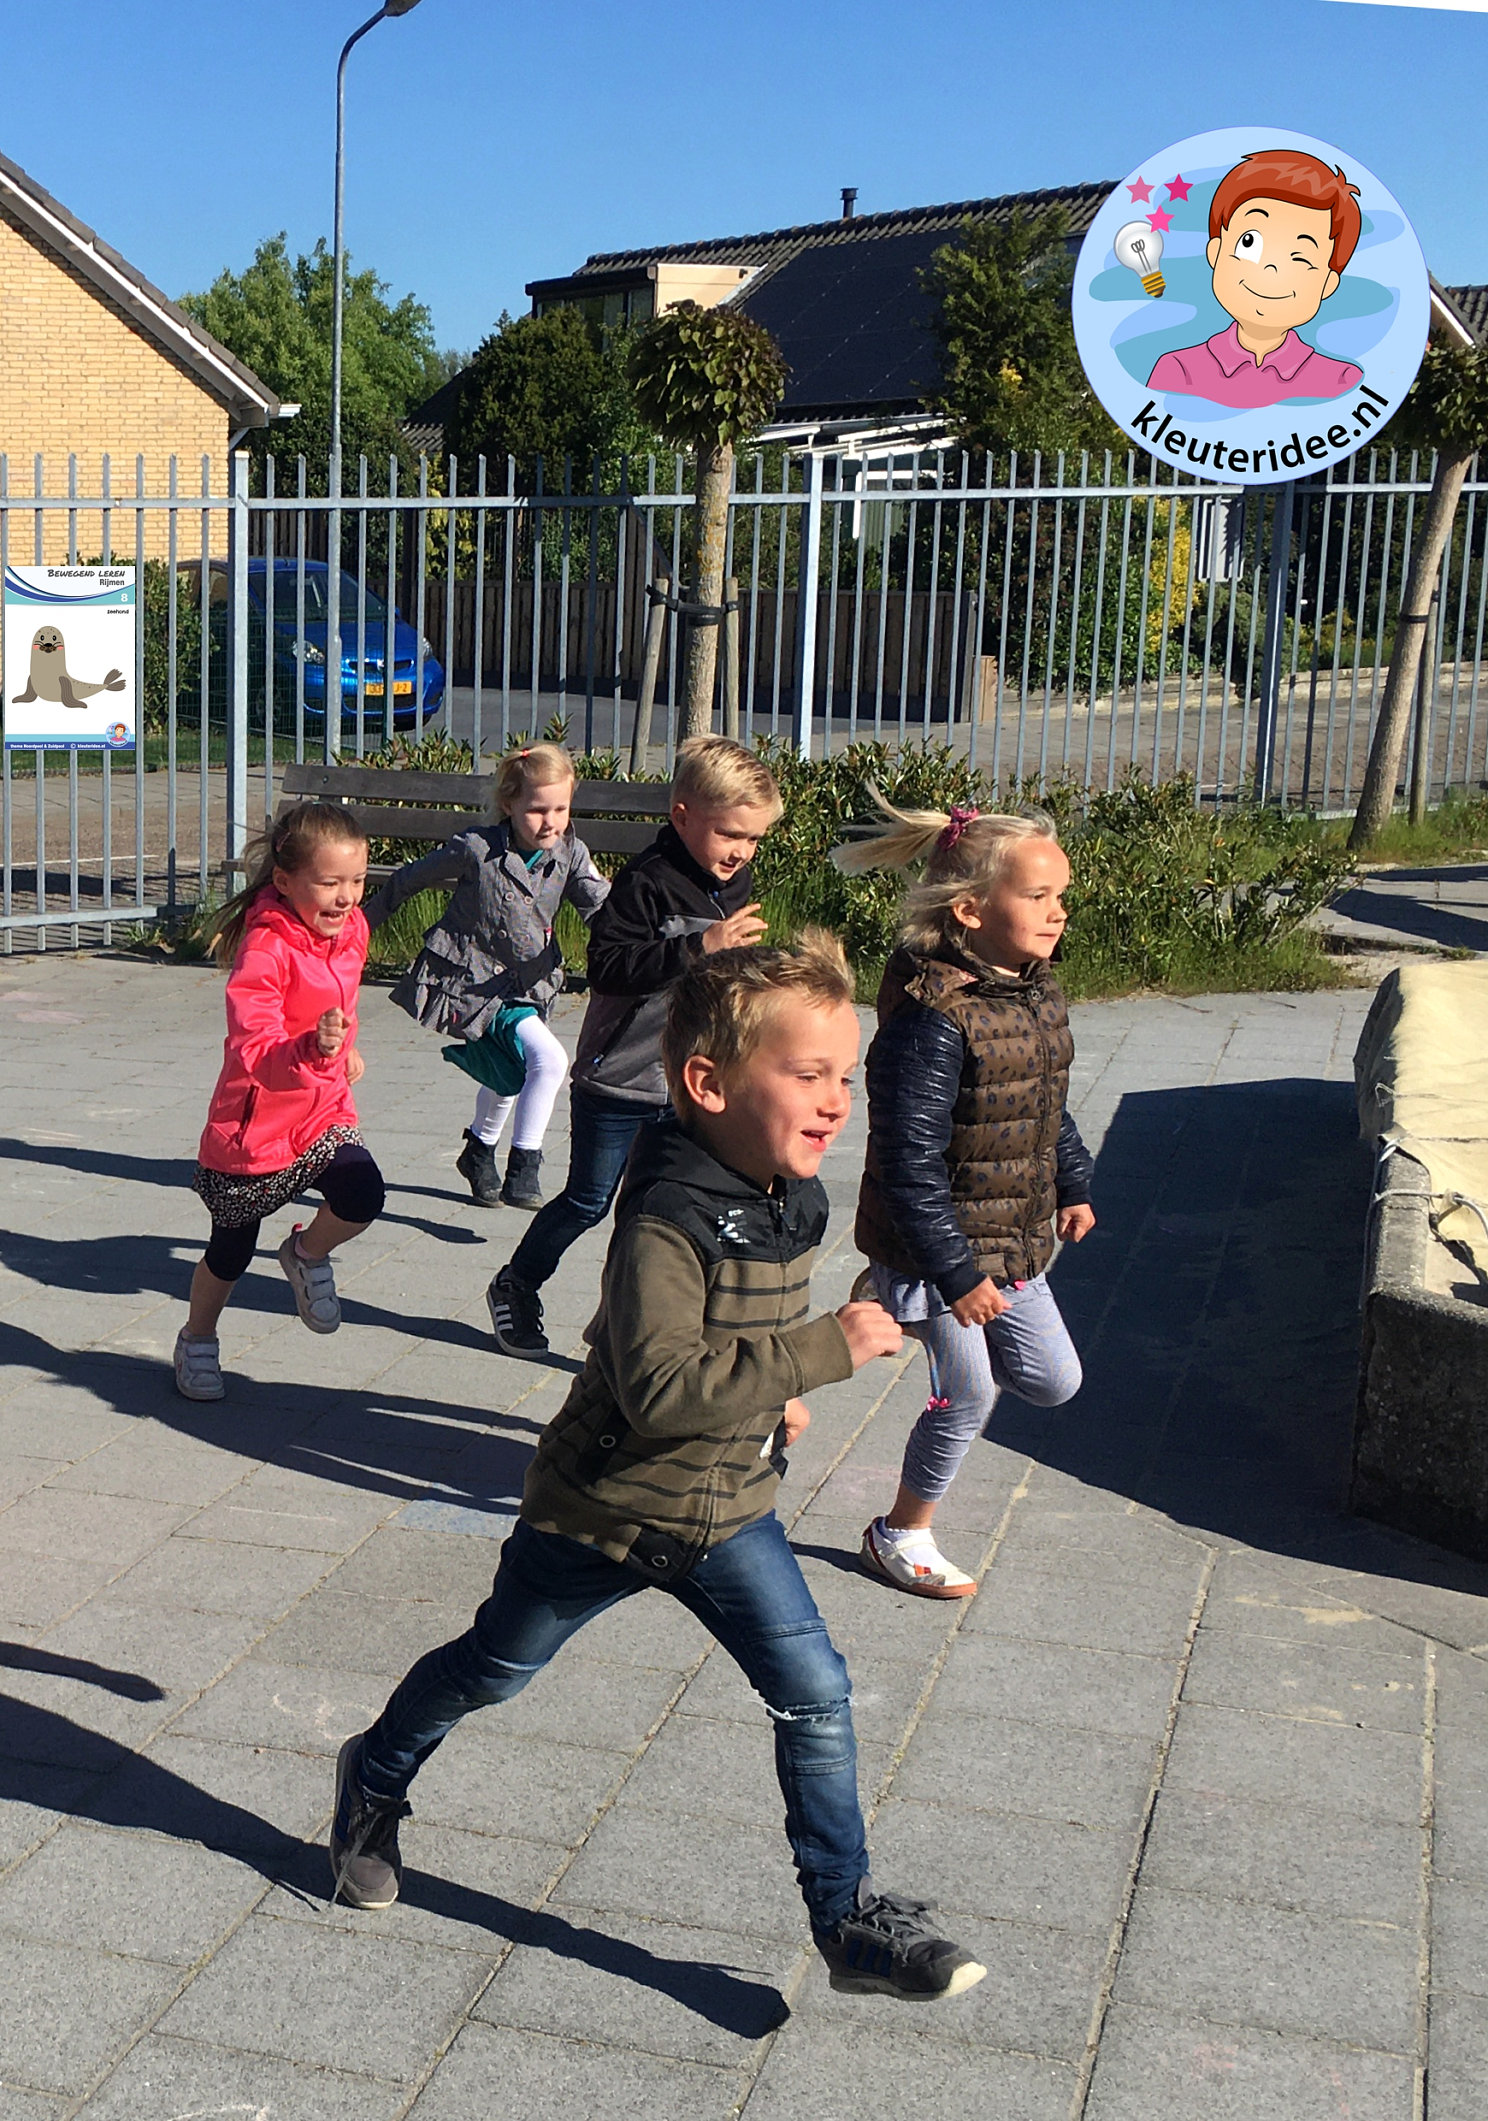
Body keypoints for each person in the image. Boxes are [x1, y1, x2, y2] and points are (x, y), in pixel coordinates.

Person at [329, 934, 988, 2003]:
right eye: (806, 1075)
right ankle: (374, 1774)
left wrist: (778, 1393)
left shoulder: (788, 1192)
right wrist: (821, 1349)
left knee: (815, 1692)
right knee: (496, 1668)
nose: (835, 1102)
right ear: (707, 1083)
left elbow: (733, 1341)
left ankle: (846, 1920)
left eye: (844, 1077)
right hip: (605, 1508)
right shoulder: (666, 1221)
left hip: (728, 1509)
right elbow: (662, 1391)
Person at [837, 797, 1095, 1598]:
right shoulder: (931, 1019)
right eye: (1038, 897)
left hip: (1009, 1236)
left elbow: (1045, 1099)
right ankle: (901, 1531)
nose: (1058, 913)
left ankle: (886, 1302)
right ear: (970, 909)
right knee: (969, 1391)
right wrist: (953, 1277)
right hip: (936, 1246)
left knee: (1056, 1379)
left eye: (1061, 896)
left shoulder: (1034, 990)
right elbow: (906, 1159)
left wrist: (1074, 1179)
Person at [488, 736, 780, 1358]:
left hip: (688, 1085)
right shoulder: (648, 883)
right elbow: (609, 966)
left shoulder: (732, 880)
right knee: (590, 1201)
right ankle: (517, 1283)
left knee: (662, 1215)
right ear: (683, 816)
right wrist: (702, 948)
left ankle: (623, 1323)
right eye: (732, 834)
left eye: (754, 839)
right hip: (617, 1079)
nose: (742, 852)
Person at [171, 800, 384, 1404]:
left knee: (363, 1193)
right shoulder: (266, 948)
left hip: (323, 1109)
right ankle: (198, 1337)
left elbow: (343, 1002)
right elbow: (253, 1044)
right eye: (330, 883)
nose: (346, 898)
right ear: (286, 882)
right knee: (231, 1250)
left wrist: (345, 1048)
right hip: (256, 1122)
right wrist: (312, 1049)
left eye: (357, 881)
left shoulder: (352, 930)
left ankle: (305, 1252)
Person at [361, 741, 610, 1210]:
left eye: (561, 807)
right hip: (473, 984)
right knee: (550, 1061)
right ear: (509, 803)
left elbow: (602, 909)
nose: (550, 820)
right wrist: (357, 932)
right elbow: (408, 879)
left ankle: (478, 1151)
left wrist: (642, 942)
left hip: (529, 984)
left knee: (508, 1071)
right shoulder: (477, 849)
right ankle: (525, 1167)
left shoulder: (571, 854)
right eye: (537, 809)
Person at [1146, 150, 1367, 411]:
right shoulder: (1177, 371)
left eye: (1300, 257)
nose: (1271, 267)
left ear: (1328, 283)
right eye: (1248, 243)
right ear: (1215, 252)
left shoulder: (1343, 381)